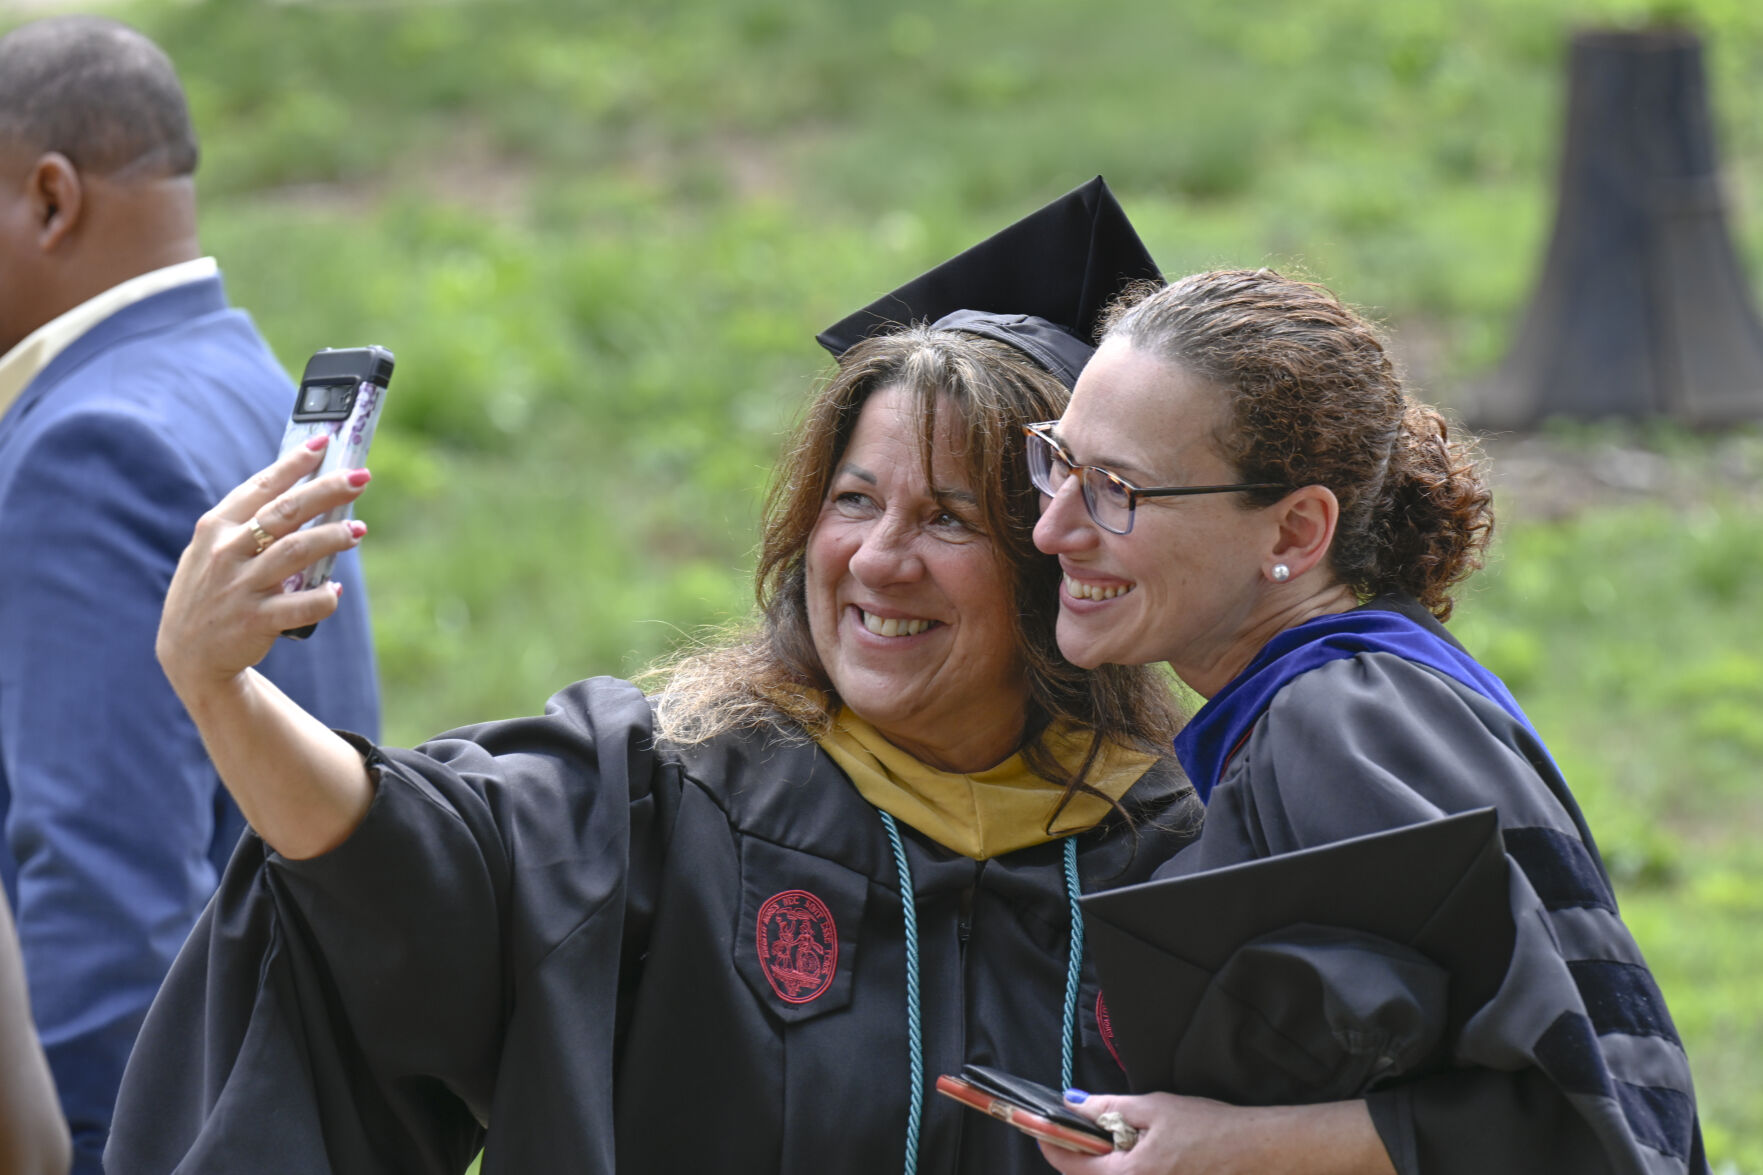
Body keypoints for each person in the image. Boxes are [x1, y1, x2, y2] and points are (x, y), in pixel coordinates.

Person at [107, 181, 1201, 1175]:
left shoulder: (1178, 855)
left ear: (1046, 555)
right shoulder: (667, 798)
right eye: (854, 500)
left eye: (947, 517)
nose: (876, 558)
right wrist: (219, 687)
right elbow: (398, 863)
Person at [1029, 268, 1707, 1175]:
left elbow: (1582, 1130)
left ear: (1293, 533)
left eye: (1115, 487)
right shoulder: (1323, 707)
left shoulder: (1345, 717)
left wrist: (1225, 1150)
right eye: (1057, 461)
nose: (1052, 528)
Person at [0, 18, 380, 1174]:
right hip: (283, 1092)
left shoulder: (82, 446)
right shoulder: (240, 379)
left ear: (51, 199)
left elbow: (102, 884)